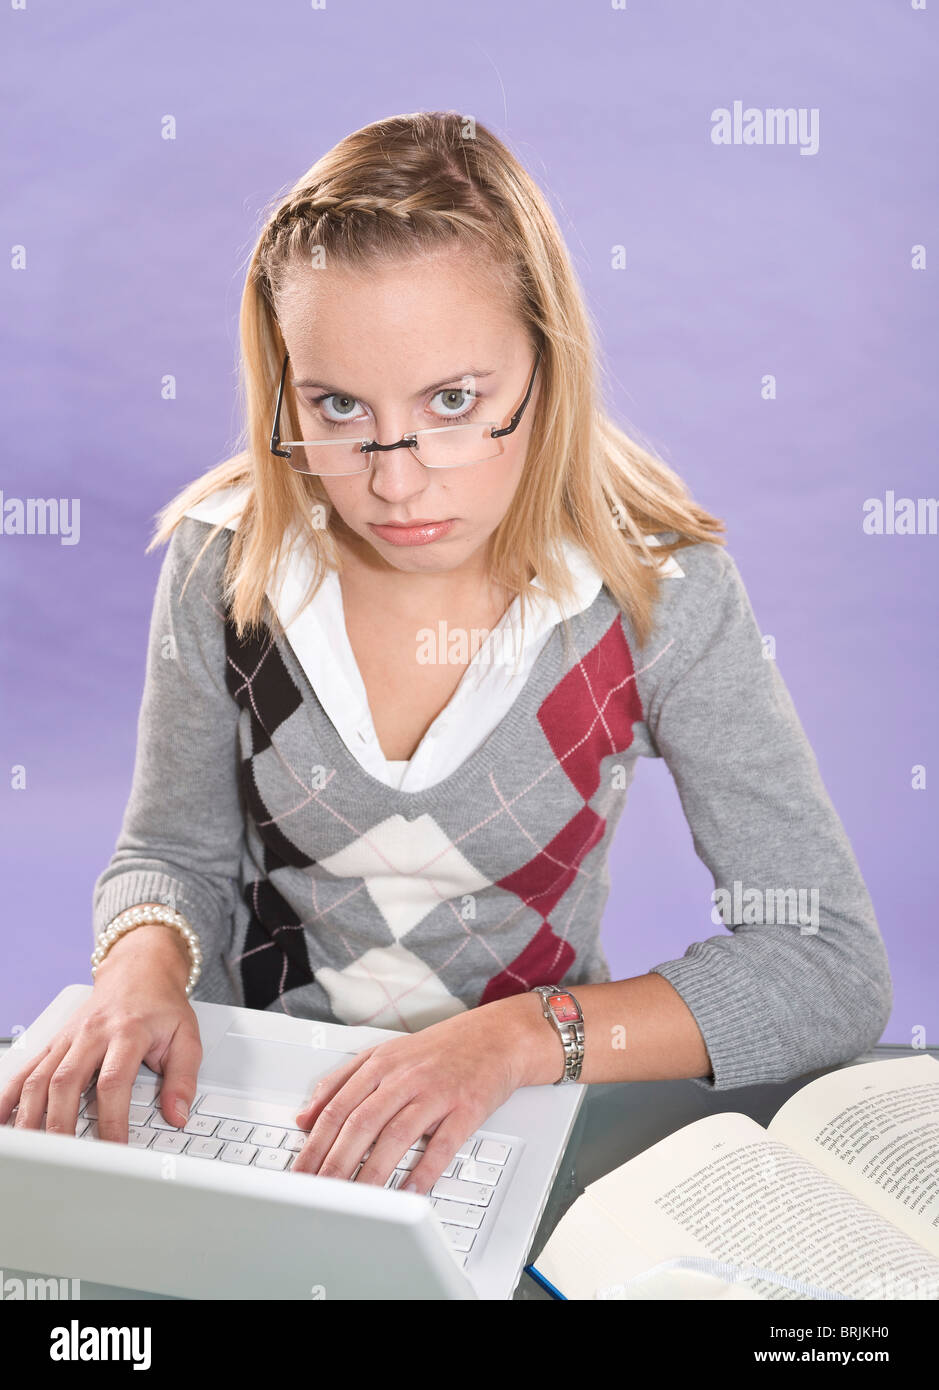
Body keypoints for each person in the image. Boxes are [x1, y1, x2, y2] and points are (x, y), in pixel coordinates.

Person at [1, 111, 891, 1199]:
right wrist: (140, 967)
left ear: (547, 363)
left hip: (529, 1115)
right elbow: (171, 857)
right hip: (251, 1114)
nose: (394, 481)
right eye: (336, 406)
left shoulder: (654, 591)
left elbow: (829, 963)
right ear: (281, 382)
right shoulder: (224, 563)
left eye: (455, 403)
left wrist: (523, 1038)